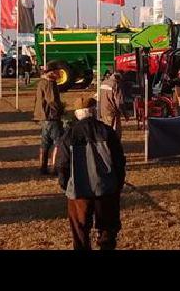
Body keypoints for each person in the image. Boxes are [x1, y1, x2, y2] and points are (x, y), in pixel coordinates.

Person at [56, 98, 126, 250]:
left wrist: (65, 186)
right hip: (107, 188)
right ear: (94, 111)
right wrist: (118, 184)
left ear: (76, 114)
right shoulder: (108, 132)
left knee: (80, 230)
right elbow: (119, 161)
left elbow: (62, 165)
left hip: (79, 191)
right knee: (107, 229)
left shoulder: (69, 135)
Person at [33, 68, 64, 175]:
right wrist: (61, 110)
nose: (59, 75)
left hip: (43, 117)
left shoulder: (41, 83)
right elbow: (52, 101)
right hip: (51, 117)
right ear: (52, 73)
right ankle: (54, 167)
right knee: (58, 142)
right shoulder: (50, 84)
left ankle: (42, 167)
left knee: (45, 143)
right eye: (57, 72)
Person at [98, 71, 125, 139]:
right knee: (114, 131)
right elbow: (119, 102)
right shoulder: (115, 84)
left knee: (106, 129)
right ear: (118, 78)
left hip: (103, 110)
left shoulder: (103, 83)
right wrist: (124, 113)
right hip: (112, 111)